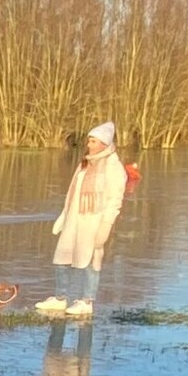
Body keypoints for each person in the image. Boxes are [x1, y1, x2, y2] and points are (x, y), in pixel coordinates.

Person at [38, 122, 128, 320]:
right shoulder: (85, 164)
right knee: (62, 258)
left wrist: (105, 227)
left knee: (90, 261)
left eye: (94, 141)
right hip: (74, 219)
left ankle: (87, 301)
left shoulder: (113, 167)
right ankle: (60, 297)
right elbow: (73, 192)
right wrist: (64, 215)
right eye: (89, 140)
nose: (89, 144)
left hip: (94, 221)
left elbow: (115, 200)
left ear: (104, 143)